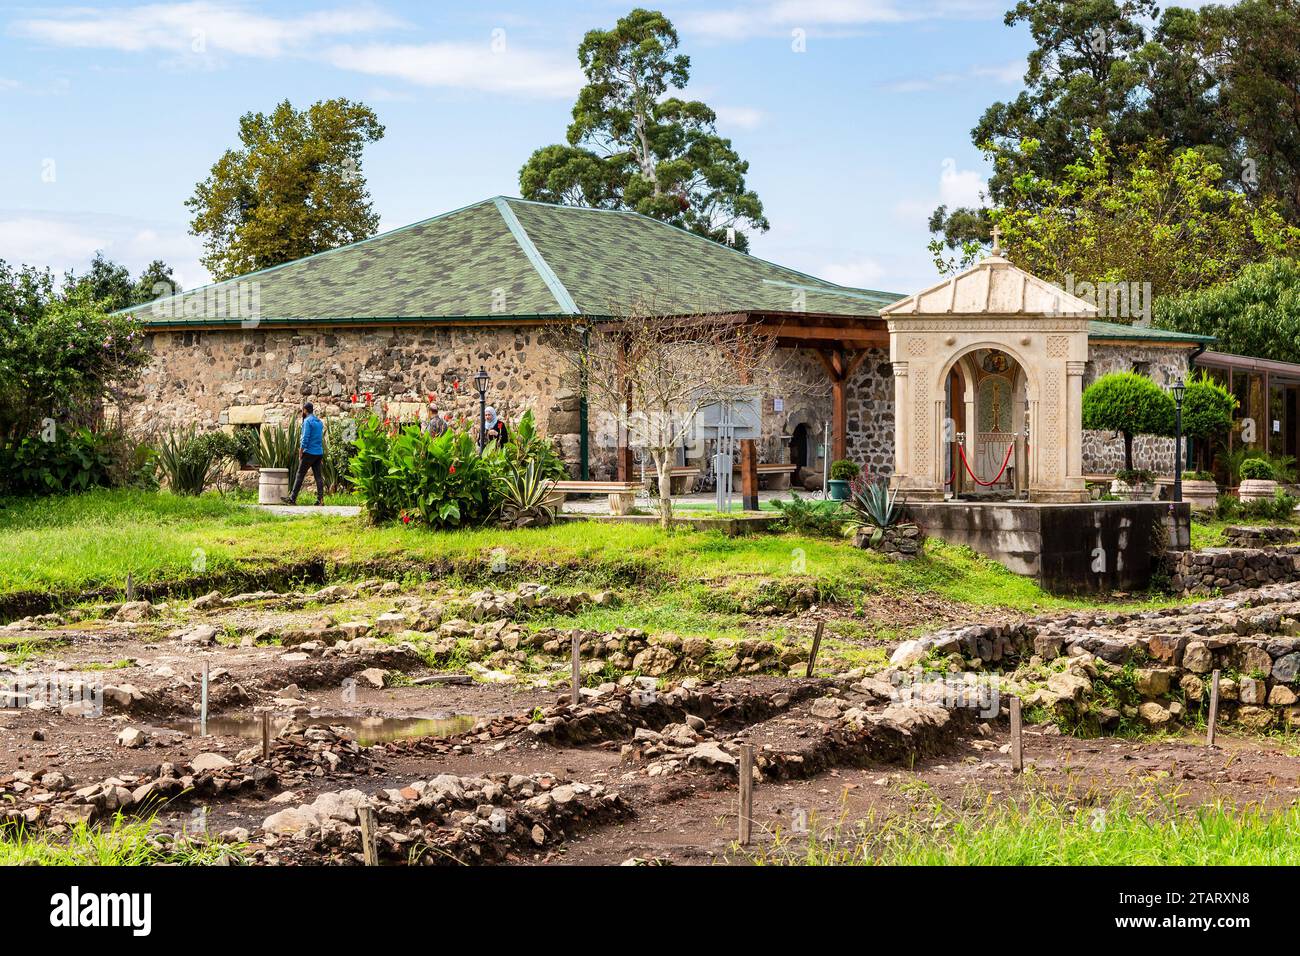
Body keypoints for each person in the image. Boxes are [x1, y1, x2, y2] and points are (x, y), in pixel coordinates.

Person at [285, 402, 324, 505]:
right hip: (318, 453)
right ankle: (320, 500)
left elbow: (305, 438)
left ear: (305, 410)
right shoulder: (319, 422)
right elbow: (320, 438)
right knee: (318, 477)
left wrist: (301, 451)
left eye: (303, 410)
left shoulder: (307, 421)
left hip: (309, 452)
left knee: (300, 475)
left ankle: (292, 499)